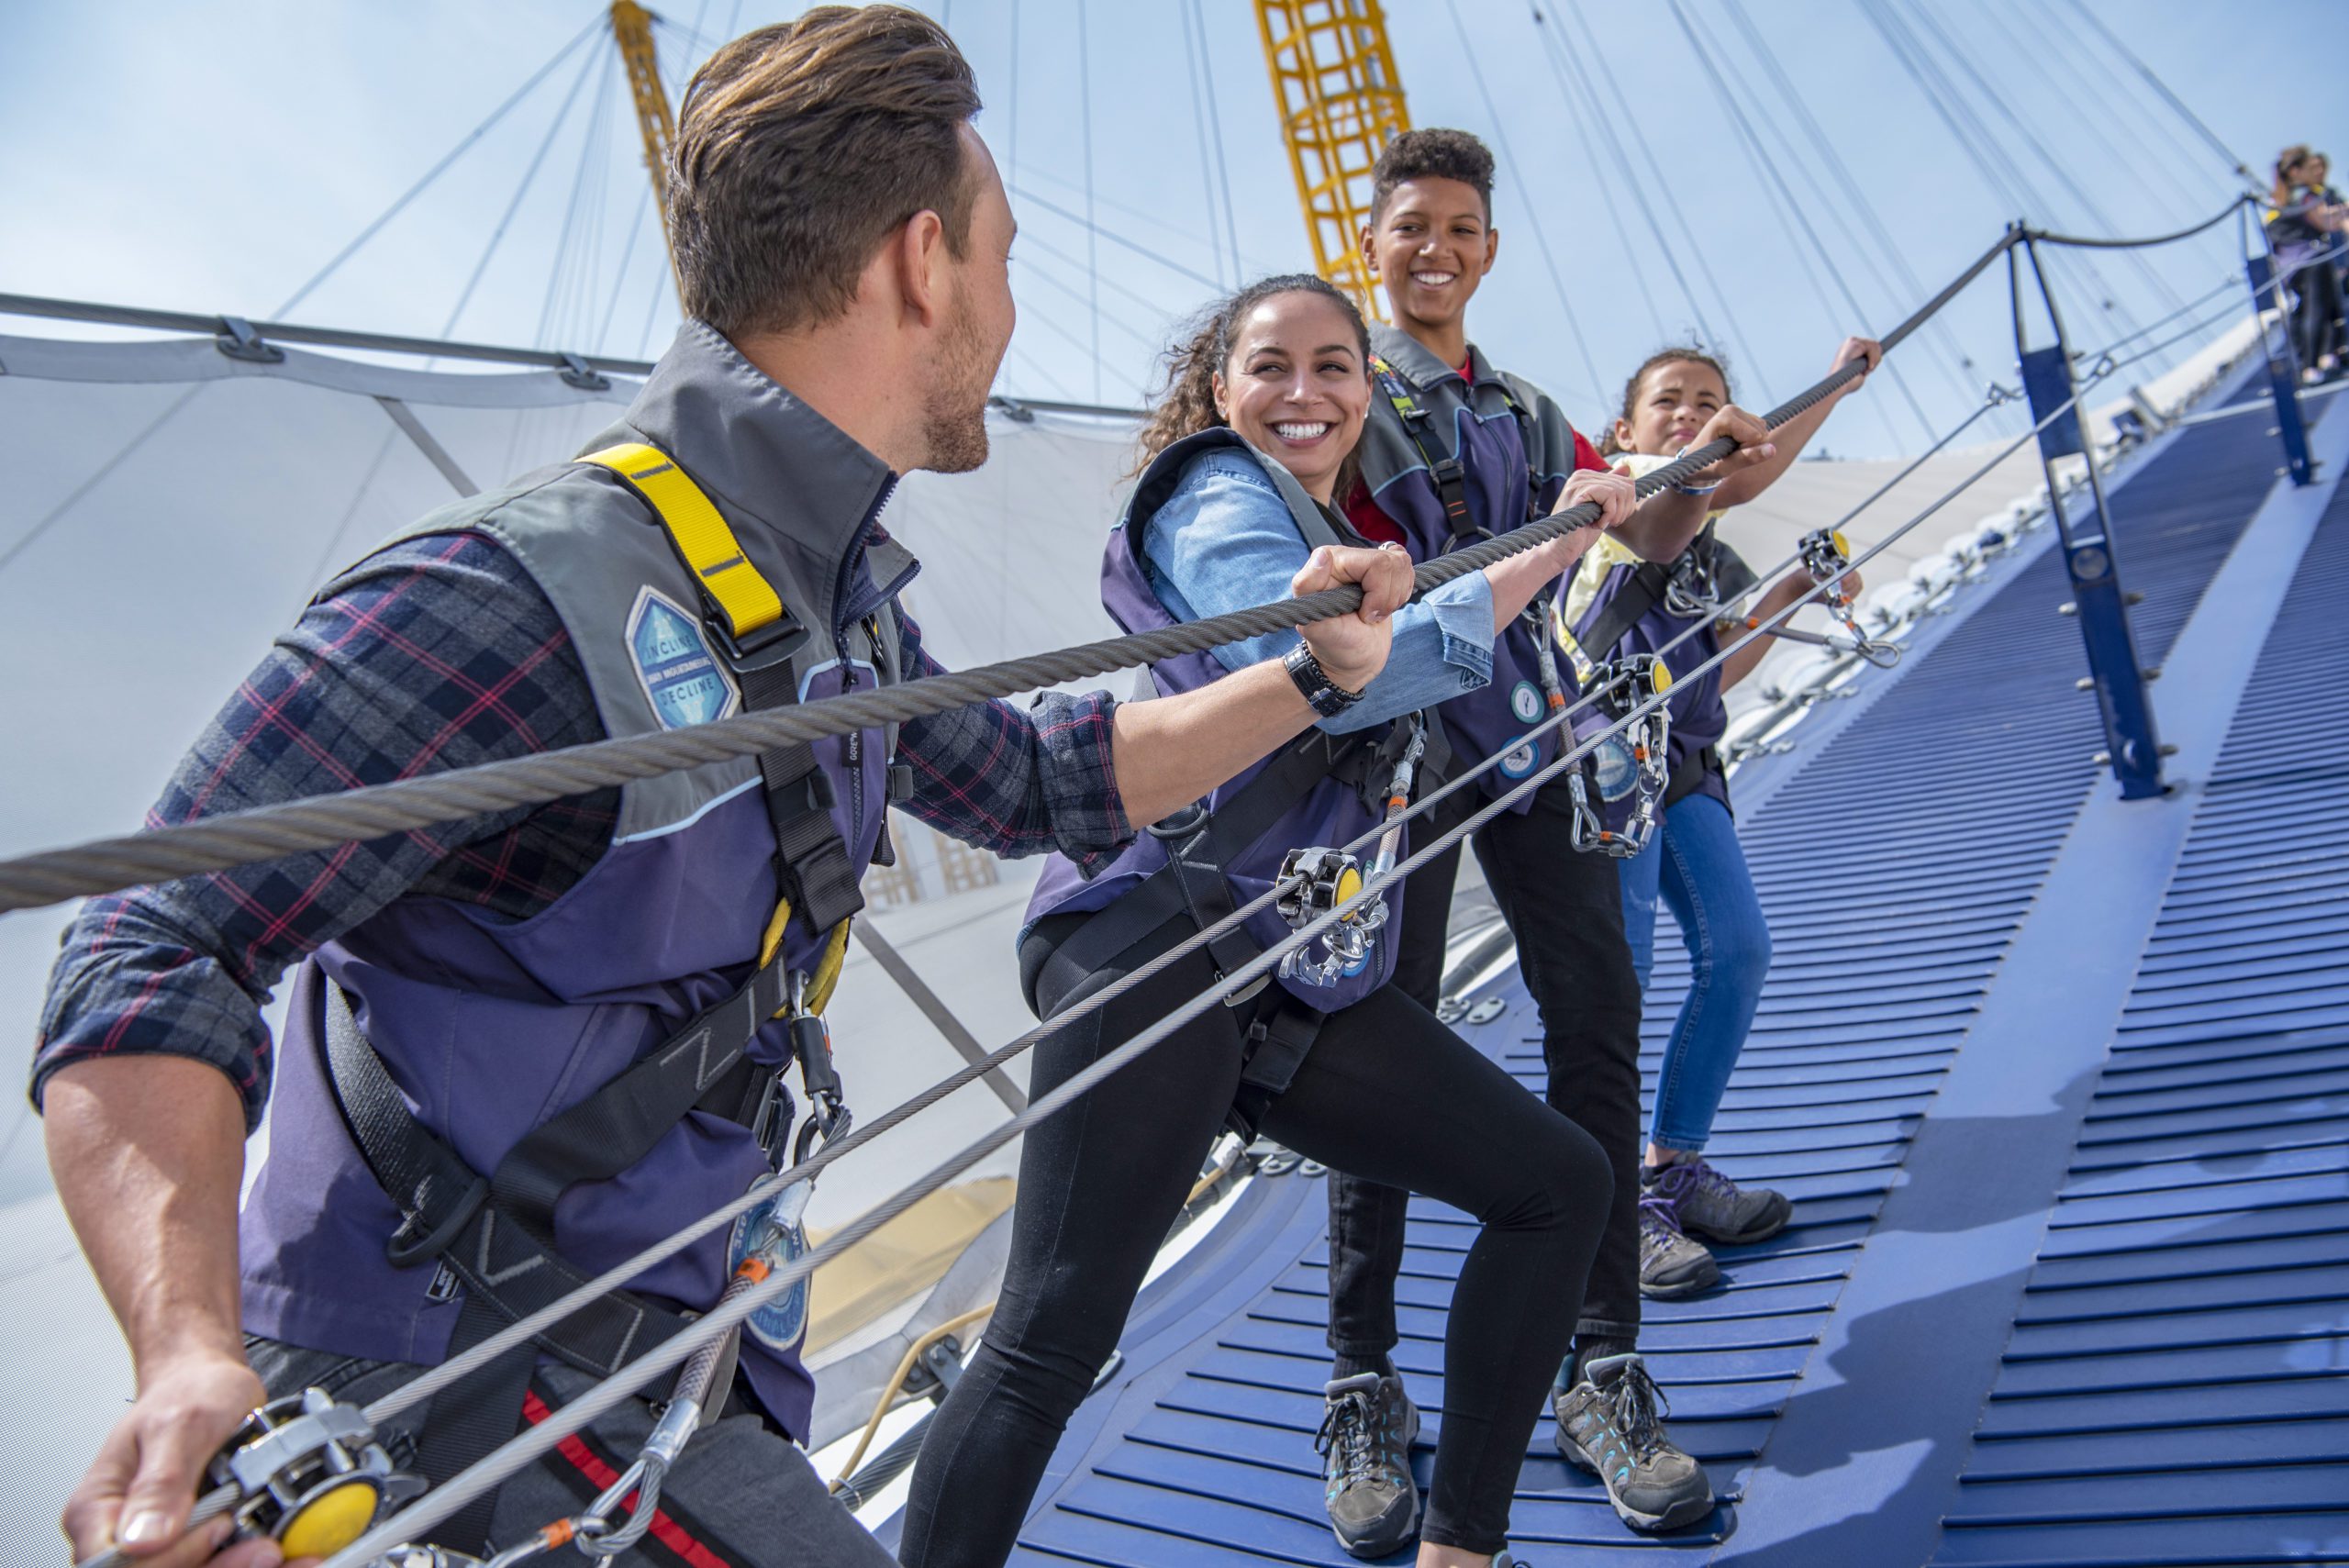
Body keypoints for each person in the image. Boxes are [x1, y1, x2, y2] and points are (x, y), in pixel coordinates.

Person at [31, 14, 1425, 1568]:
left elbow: (1045, 780)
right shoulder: (509, 594)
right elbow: (152, 937)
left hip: (673, 1357)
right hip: (451, 1397)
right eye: (1005, 256)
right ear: (920, 263)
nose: (1017, 303)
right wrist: (185, 1353)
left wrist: (1313, 669)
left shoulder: (816, 598)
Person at [899, 273, 1637, 1568]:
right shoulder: (1214, 495)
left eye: (1337, 366)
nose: (1304, 393)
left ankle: (1462, 1552)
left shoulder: (1350, 534)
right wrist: (1560, 538)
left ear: (1371, 389)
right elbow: (1345, 680)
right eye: (1271, 367)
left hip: (1285, 977)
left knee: (1554, 1187)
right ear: (1219, 389)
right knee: (1050, 1341)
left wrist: (1635, 500)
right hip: (1162, 943)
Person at [1314, 128, 1775, 1545]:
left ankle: (1603, 1366)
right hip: (1395, 754)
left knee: (1600, 1018)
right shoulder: (1338, 397)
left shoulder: (1524, 407)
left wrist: (1708, 470)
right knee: (1377, 1043)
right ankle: (1365, 1383)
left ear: (1488, 249)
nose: (1436, 248)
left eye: (1460, 227)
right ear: (1372, 241)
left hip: (1528, 743)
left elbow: (1631, 532)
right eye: (1411, 228)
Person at [1564, 339, 1878, 1307]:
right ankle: (1615, 1208)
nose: (1688, 417)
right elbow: (1741, 469)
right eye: (1668, 402)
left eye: (1707, 402)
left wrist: (1788, 592)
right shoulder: (1607, 498)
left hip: (1685, 761)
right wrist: (1832, 387)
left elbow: (1719, 666)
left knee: (1738, 949)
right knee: (1629, 974)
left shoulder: (1710, 546)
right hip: (1611, 762)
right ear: (1627, 429)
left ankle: (1674, 1166)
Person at [2266, 145, 2349, 382]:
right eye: (2309, 167)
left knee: (2314, 309)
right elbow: (2327, 222)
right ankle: (2315, 363)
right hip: (2310, 259)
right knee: (2320, 307)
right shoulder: (2304, 196)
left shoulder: (2280, 199)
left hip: (2291, 266)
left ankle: (2316, 361)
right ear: (2295, 172)